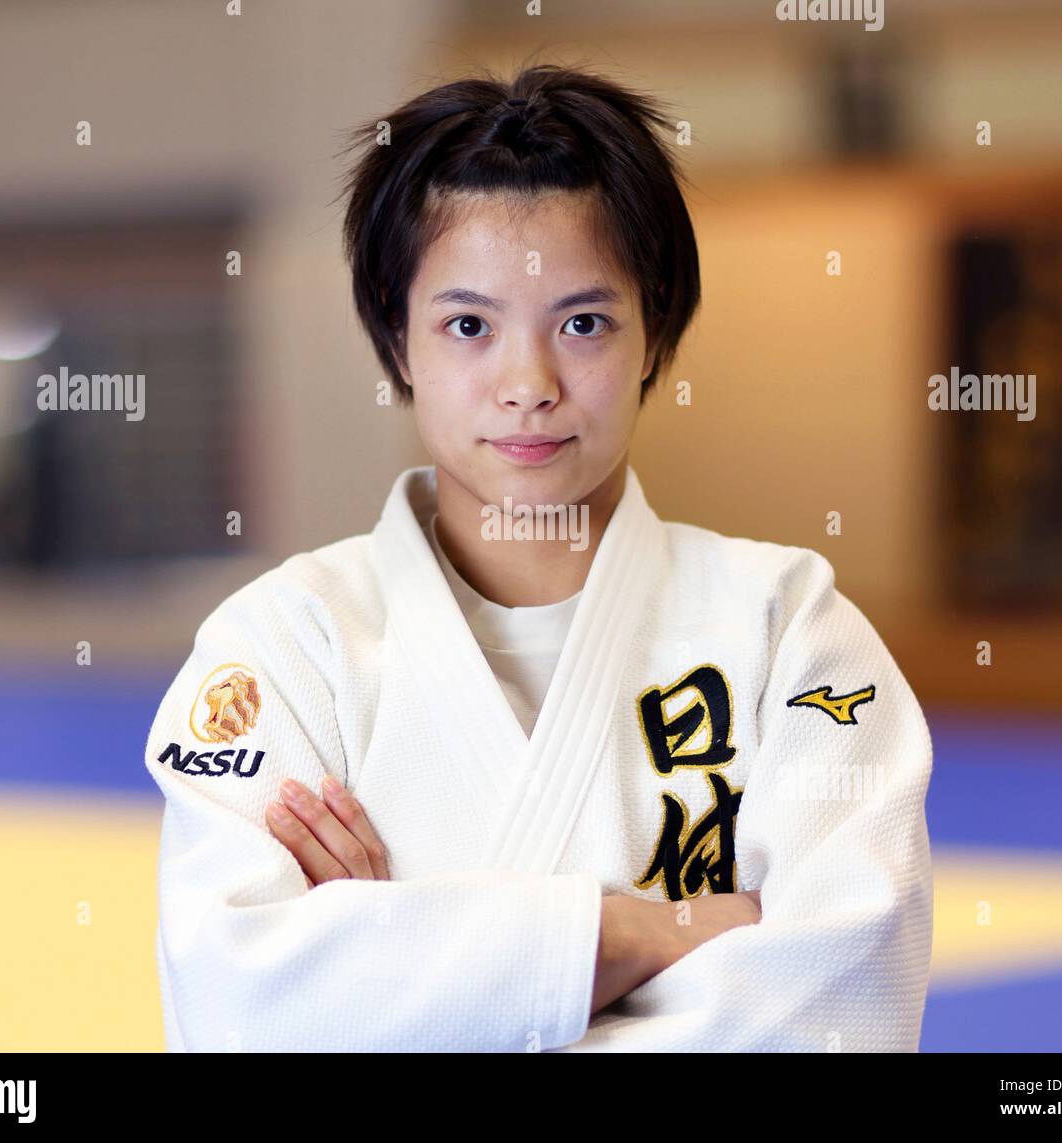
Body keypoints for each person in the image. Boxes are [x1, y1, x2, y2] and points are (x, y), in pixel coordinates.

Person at [144, 62, 934, 1052]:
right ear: (398, 341)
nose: (529, 384)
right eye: (468, 325)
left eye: (583, 322)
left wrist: (409, 978)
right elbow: (234, 1011)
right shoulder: (285, 649)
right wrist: (629, 933)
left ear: (653, 332)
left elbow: (840, 1011)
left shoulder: (791, 633)